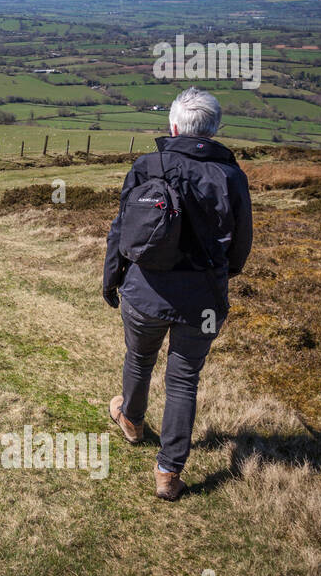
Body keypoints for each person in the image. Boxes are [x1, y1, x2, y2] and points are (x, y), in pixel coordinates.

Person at [102, 87, 252, 500]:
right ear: (215, 130)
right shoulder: (231, 176)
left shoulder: (147, 165)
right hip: (201, 298)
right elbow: (240, 243)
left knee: (139, 356)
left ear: (173, 126)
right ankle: (168, 473)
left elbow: (121, 231)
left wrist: (111, 279)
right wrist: (223, 277)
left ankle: (131, 420)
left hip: (144, 289)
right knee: (184, 380)